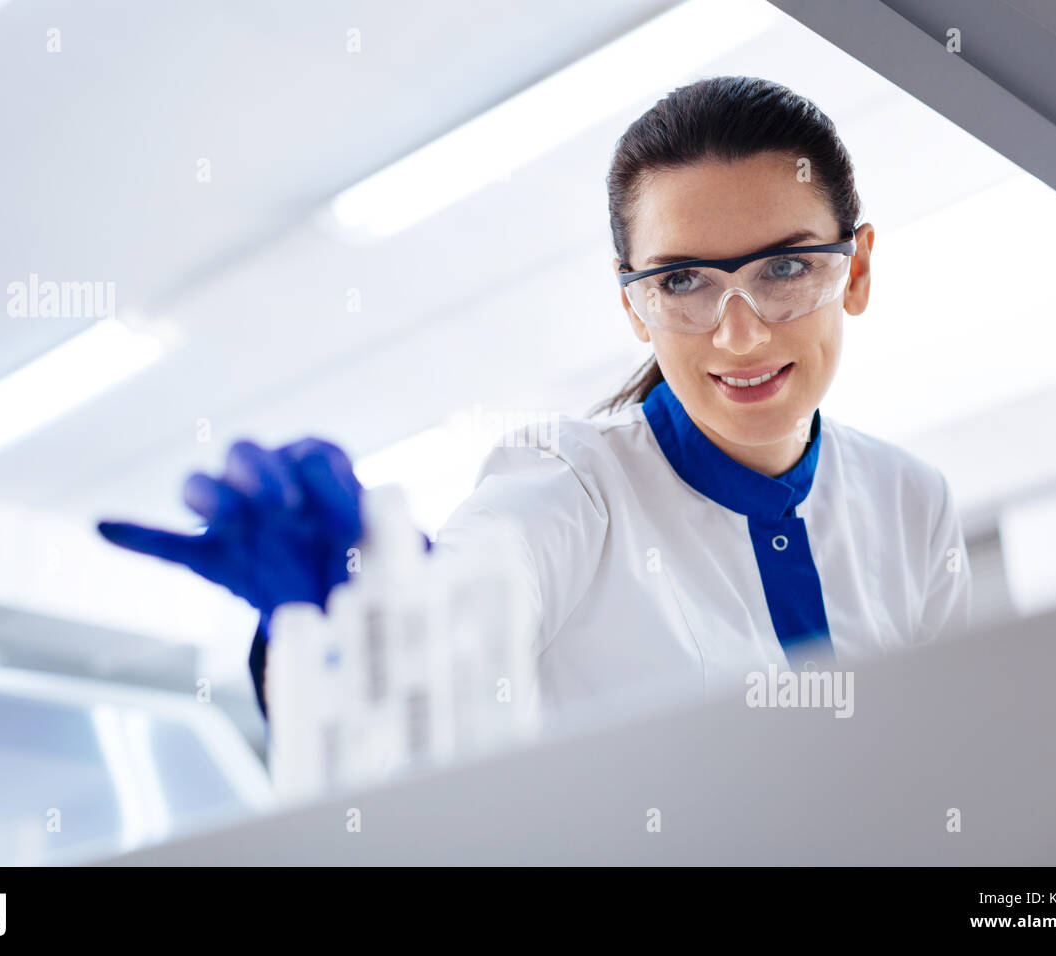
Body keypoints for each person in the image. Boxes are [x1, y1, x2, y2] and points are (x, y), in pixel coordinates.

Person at [98, 75, 972, 721]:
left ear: (854, 270)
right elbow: (467, 607)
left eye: (784, 268)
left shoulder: (911, 504)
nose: (737, 333)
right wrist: (368, 603)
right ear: (635, 304)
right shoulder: (572, 486)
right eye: (682, 282)